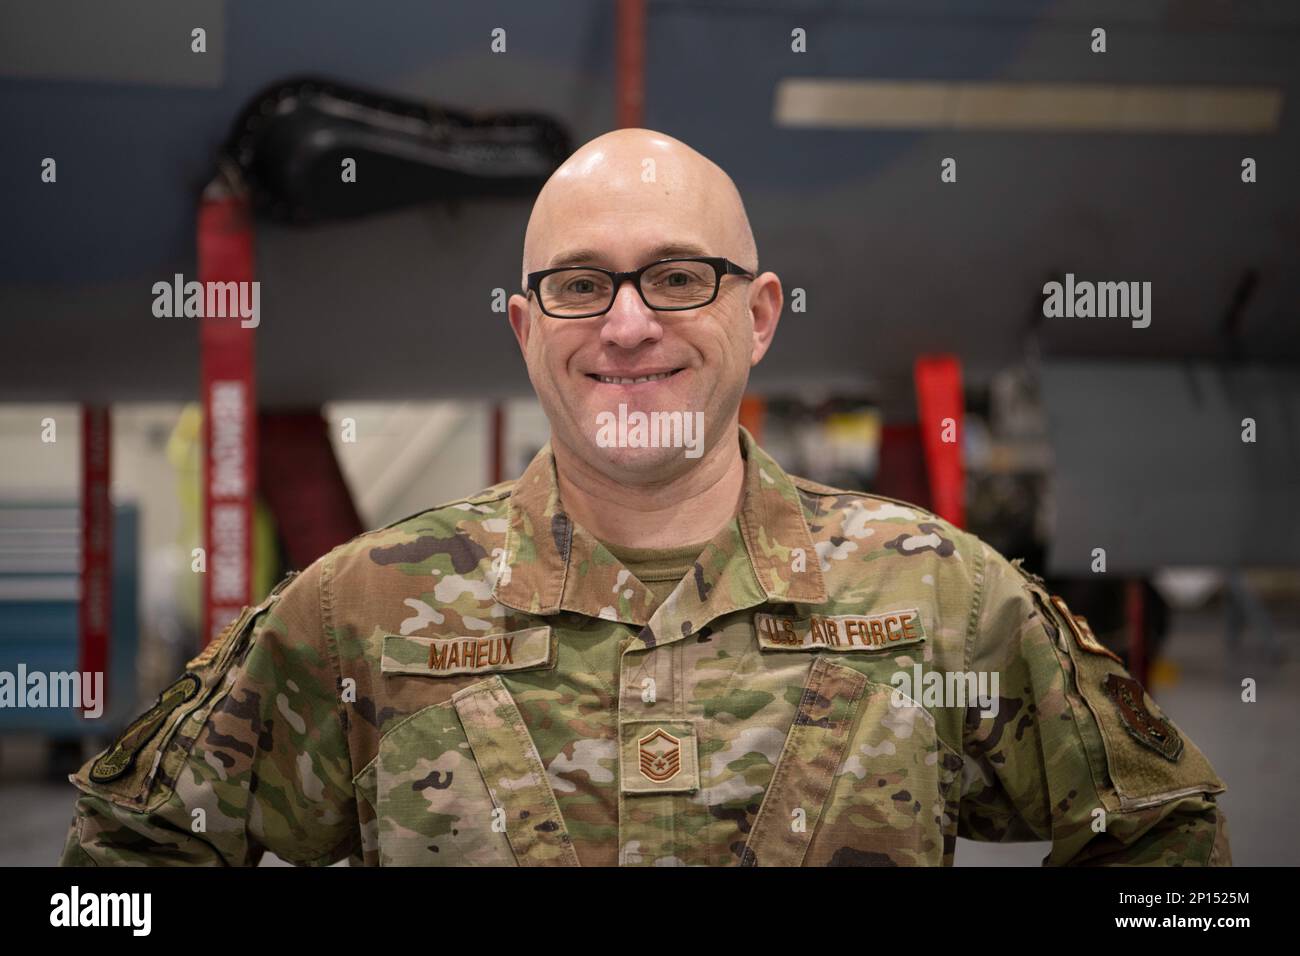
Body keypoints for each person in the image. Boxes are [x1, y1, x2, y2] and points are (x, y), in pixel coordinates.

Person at [60, 128, 1230, 866]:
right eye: (580, 285)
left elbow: (1165, 822)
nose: (628, 323)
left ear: (759, 314)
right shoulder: (365, 610)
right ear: (526, 330)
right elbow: (121, 858)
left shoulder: (933, 594)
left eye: (677, 276)